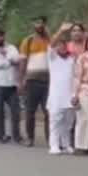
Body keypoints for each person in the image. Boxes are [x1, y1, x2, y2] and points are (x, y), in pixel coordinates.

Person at [19, 16, 51, 146]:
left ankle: (50, 139)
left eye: (41, 22)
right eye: (36, 22)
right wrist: (21, 80)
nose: (39, 25)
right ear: (33, 24)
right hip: (32, 80)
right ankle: (30, 137)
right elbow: (23, 61)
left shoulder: (50, 40)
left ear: (44, 24)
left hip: (48, 80)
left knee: (48, 111)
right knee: (30, 111)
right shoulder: (28, 41)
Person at [46, 24, 77, 155]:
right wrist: (61, 31)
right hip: (56, 96)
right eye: (59, 45)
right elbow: (51, 44)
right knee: (55, 121)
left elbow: (76, 77)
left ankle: (66, 144)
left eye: (64, 45)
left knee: (68, 123)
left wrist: (75, 94)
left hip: (69, 95)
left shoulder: (72, 59)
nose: (62, 47)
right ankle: (54, 145)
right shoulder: (53, 57)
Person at [0, 29, 22, 143]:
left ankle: (16, 136)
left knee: (15, 112)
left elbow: (18, 60)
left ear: (4, 36)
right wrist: (9, 59)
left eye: (0, 36)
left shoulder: (11, 47)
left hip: (12, 84)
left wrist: (6, 56)